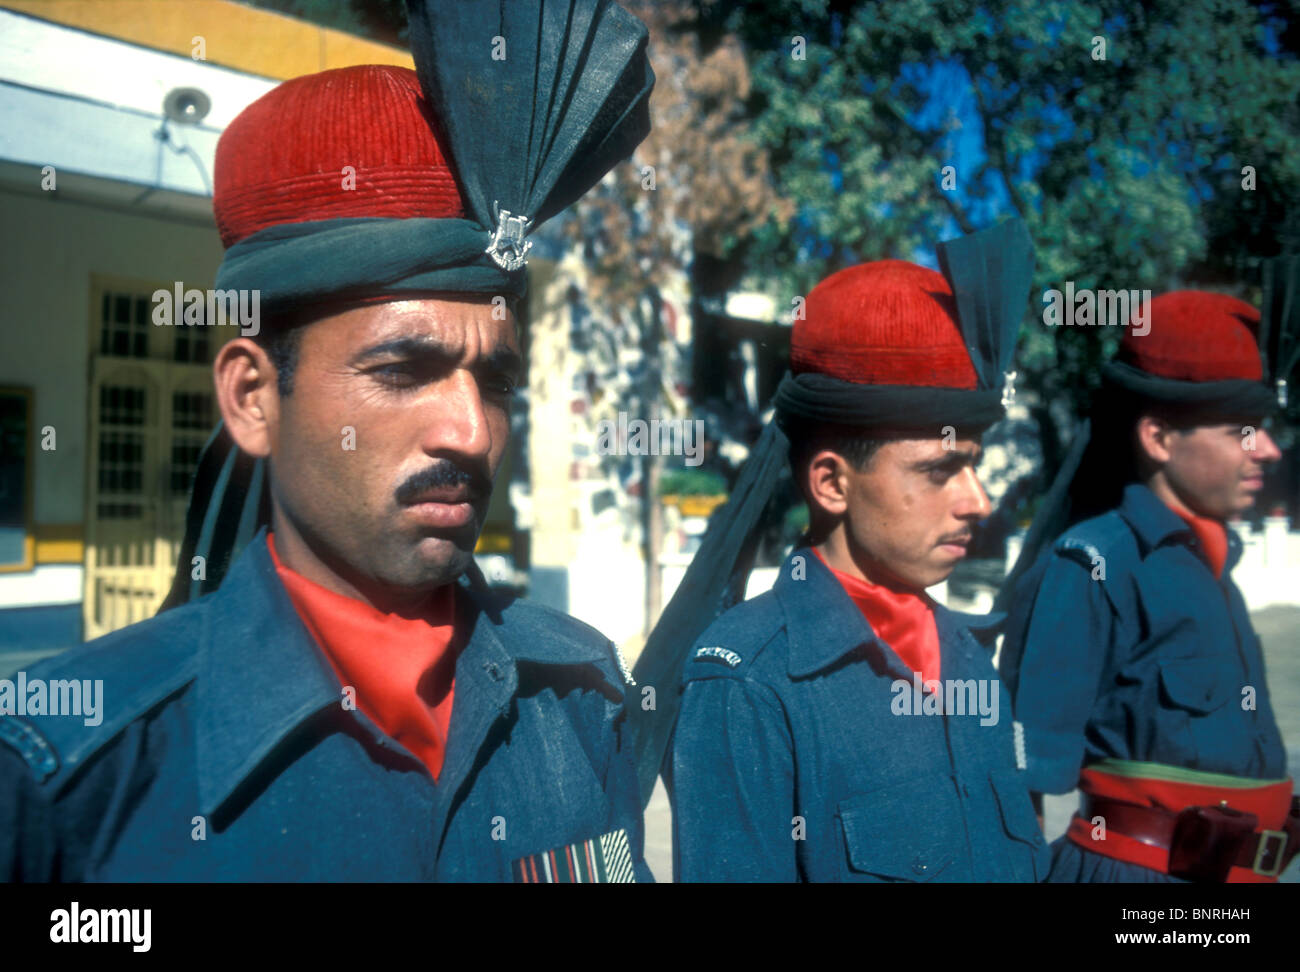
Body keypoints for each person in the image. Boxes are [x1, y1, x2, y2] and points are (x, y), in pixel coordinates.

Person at [0, 0, 655, 882]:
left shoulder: (577, 694)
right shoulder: (72, 773)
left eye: (495, 381)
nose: (469, 431)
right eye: (402, 368)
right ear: (253, 398)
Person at [664, 220, 1050, 881]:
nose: (978, 501)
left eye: (975, 466)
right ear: (832, 484)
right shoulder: (747, 684)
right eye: (939, 470)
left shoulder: (971, 657)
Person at [1000, 286, 1300, 883]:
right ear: (1158, 438)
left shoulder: (1213, 569)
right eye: (1241, 429)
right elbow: (1017, 787)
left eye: (1263, 427)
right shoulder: (1091, 567)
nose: (1266, 449)